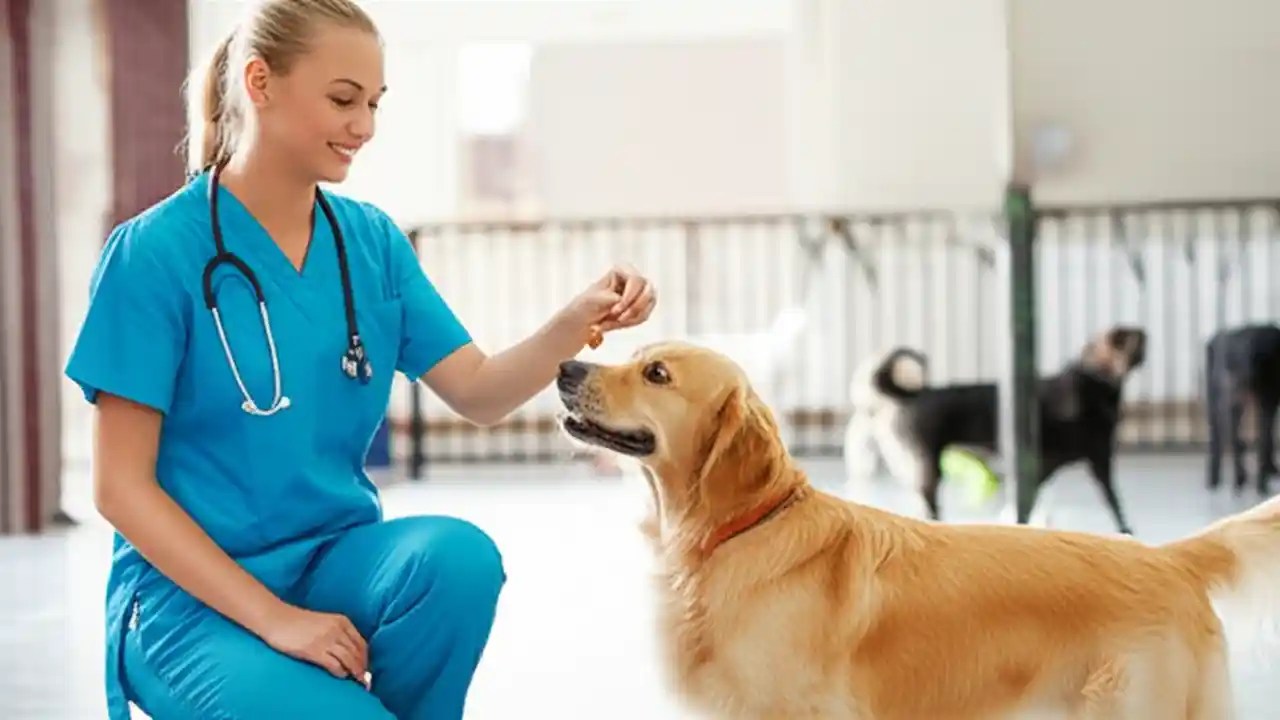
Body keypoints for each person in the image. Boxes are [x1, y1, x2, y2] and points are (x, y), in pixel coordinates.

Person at [64, 1, 657, 718]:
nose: (365, 127)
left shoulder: (370, 244)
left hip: (329, 564)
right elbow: (119, 490)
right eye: (344, 100)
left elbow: (479, 392)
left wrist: (574, 321)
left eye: (374, 104)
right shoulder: (154, 253)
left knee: (457, 560)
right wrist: (276, 619)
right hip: (188, 601)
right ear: (260, 82)